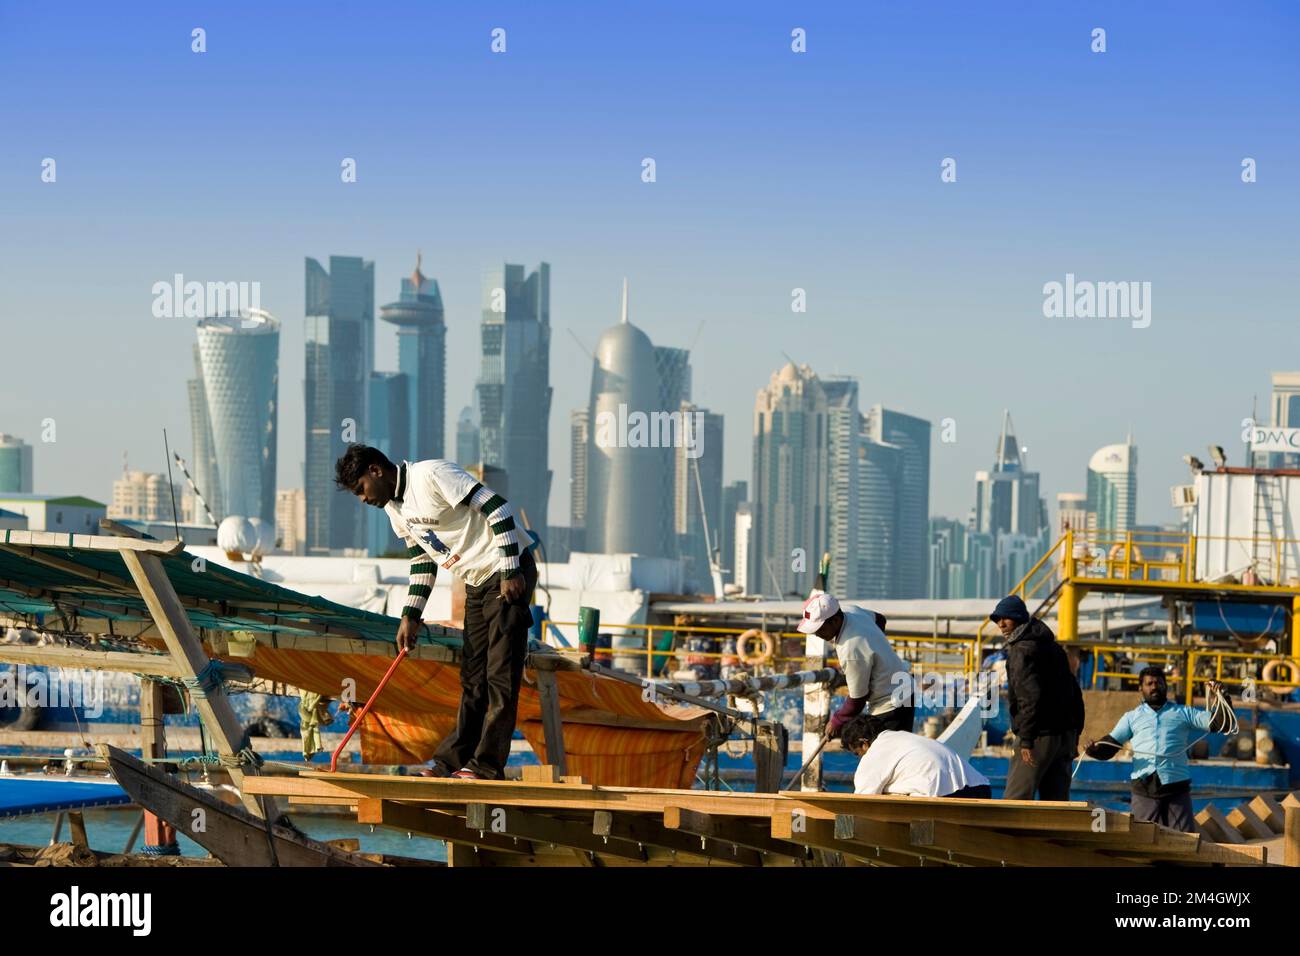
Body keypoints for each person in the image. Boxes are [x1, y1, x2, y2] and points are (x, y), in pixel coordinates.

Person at [335, 444, 538, 780]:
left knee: (500, 676)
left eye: (360, 489)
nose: (362, 499)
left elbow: (499, 510)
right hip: (475, 583)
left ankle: (486, 766)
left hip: (506, 573)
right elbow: (422, 561)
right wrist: (410, 616)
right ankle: (450, 763)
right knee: (472, 678)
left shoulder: (430, 475)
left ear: (376, 471)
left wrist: (510, 572)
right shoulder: (394, 508)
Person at [1083, 668, 1232, 832]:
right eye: (1149, 683)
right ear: (1141, 688)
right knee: (1143, 840)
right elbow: (1110, 745)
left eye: (1158, 683)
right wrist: (1094, 750)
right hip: (1144, 788)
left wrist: (1222, 696)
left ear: (1166, 686)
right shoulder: (1131, 717)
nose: (1154, 687)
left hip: (1176, 788)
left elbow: (1222, 723)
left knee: (1183, 841)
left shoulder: (1183, 712)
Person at [989, 594, 1084, 801]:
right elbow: (1074, 692)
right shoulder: (1054, 648)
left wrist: (1026, 740)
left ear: (1020, 618)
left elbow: (1029, 698)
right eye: (997, 620)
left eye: (1006, 618)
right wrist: (1074, 735)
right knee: (1056, 805)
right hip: (1064, 737)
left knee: (1016, 800)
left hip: (1038, 736)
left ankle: (1010, 835)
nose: (1001, 624)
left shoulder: (1021, 651)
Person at [797, 592, 915, 738]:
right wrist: (875, 649)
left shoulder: (850, 648)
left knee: (886, 755)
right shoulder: (851, 611)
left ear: (834, 621)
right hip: (904, 687)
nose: (817, 634)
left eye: (819, 629)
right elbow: (880, 619)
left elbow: (858, 699)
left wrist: (836, 721)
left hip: (890, 704)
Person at [842, 714, 991, 798]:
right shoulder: (904, 738)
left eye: (857, 753)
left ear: (864, 743)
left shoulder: (875, 752)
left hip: (946, 799)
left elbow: (862, 800)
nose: (860, 758)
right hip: (981, 789)